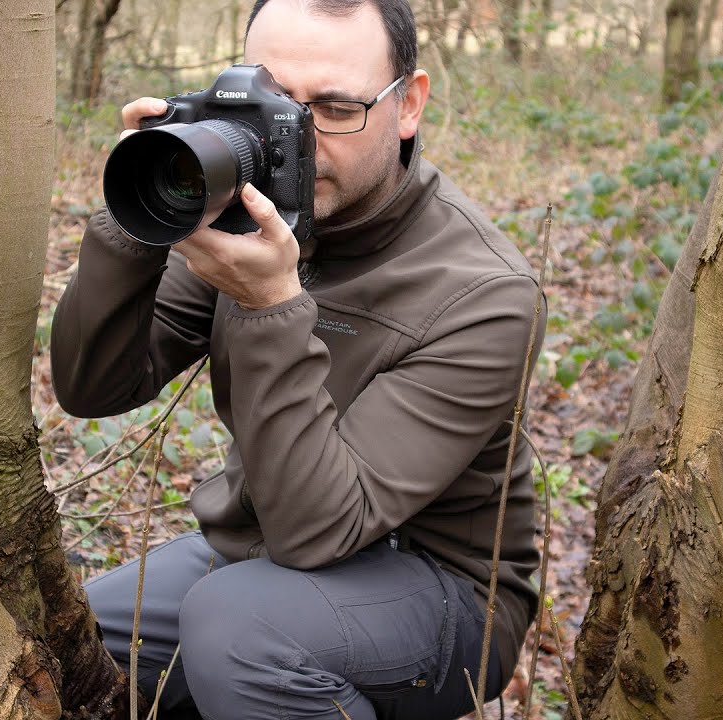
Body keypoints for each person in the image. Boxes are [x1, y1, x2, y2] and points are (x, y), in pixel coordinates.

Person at [50, 1, 543, 717]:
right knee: (72, 634)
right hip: (256, 555)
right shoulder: (248, 215)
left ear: (408, 105)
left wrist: (269, 303)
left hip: (441, 587)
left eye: (336, 109)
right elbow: (92, 387)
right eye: (273, 103)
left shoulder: (483, 292)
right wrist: (139, 215)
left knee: (239, 630)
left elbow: (323, 530)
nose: (298, 139)